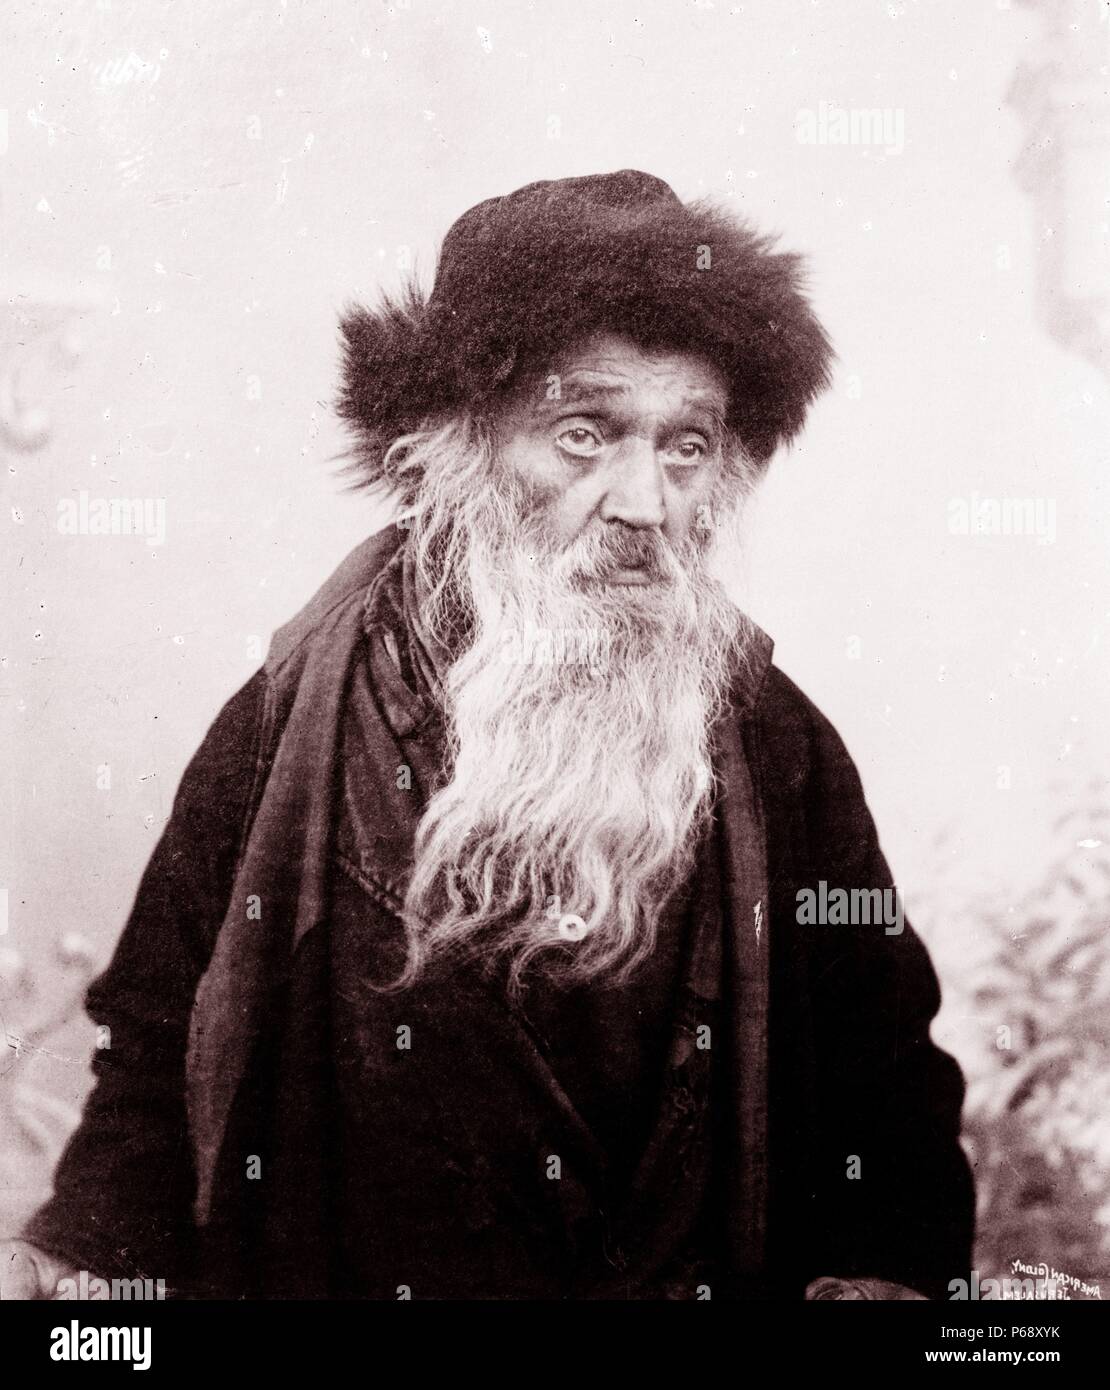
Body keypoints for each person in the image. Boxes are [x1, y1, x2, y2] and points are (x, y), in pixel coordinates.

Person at [1, 170, 974, 1301]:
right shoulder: (287, 724)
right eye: (583, 433)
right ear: (451, 448)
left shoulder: (777, 746)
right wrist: (90, 1256)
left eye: (687, 445)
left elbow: (885, 1066)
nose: (644, 503)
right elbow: (157, 1051)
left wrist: (884, 1272)